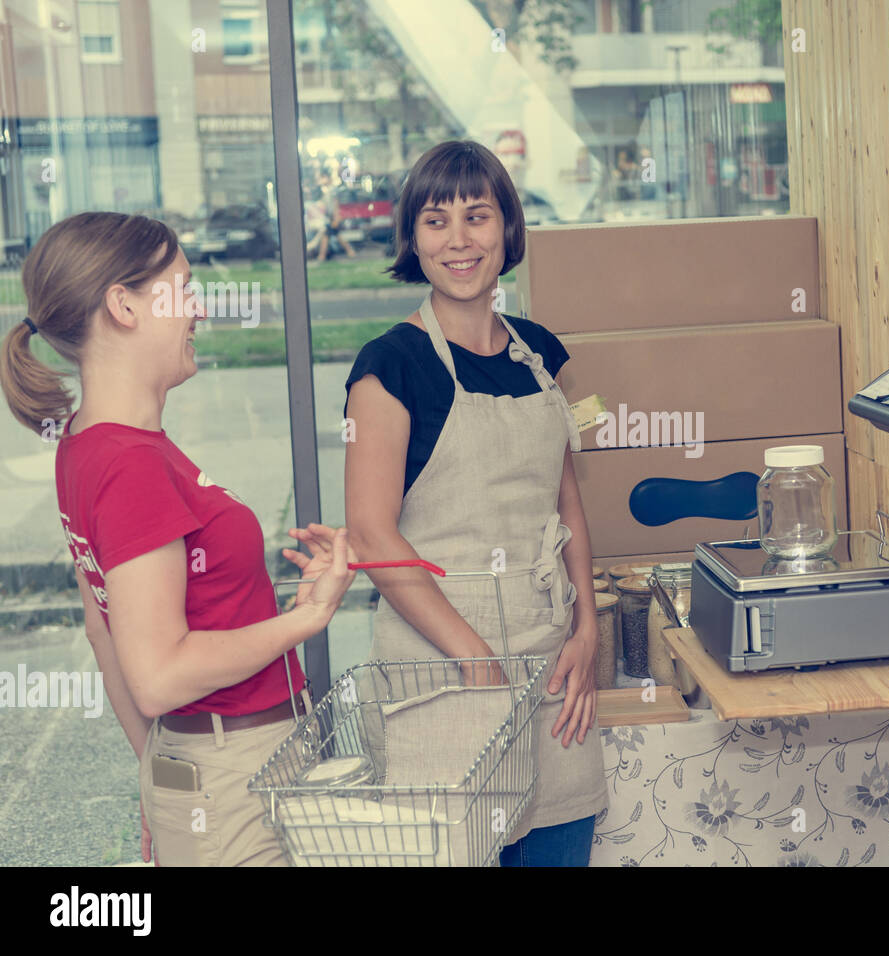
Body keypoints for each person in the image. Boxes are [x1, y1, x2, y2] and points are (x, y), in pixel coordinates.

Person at [0, 212, 357, 866]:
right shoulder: (130, 465)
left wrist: (157, 778)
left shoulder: (89, 443)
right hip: (236, 784)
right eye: (183, 288)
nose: (198, 308)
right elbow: (160, 675)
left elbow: (105, 633)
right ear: (124, 305)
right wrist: (307, 618)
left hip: (212, 775)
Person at [343, 140, 607, 867]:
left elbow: (569, 509)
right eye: (435, 221)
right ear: (413, 239)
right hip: (440, 681)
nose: (459, 240)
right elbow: (369, 530)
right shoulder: (388, 366)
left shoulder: (544, 354)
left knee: (558, 848)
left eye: (477, 216)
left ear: (507, 230)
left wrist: (587, 629)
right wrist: (474, 659)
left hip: (553, 676)